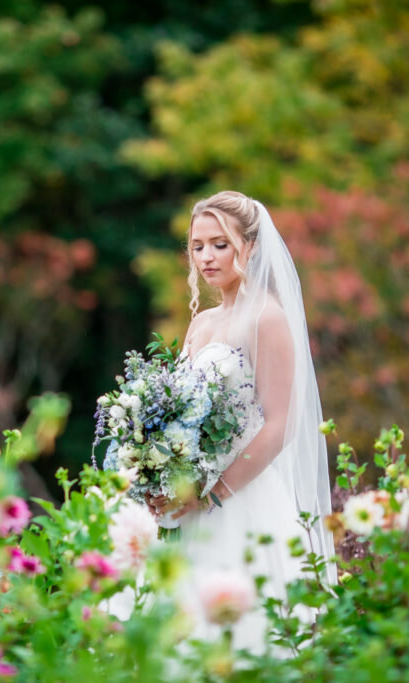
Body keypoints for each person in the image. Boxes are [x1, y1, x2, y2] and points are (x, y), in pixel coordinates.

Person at [149, 190, 336, 652]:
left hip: (242, 499)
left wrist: (213, 495)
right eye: (197, 246)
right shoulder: (202, 323)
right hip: (188, 503)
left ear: (249, 246)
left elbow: (280, 425)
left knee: (246, 638)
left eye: (220, 244)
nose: (207, 257)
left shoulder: (268, 318)